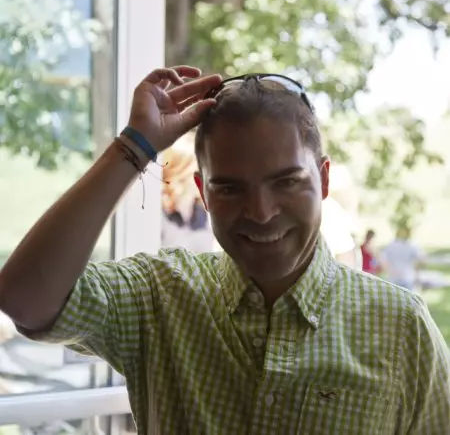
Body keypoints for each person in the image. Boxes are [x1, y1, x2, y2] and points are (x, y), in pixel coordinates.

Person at [0, 67, 449, 434]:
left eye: (286, 181)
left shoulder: (400, 326)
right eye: (230, 188)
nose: (260, 211)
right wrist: (135, 146)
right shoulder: (159, 297)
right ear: (203, 192)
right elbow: (24, 297)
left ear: (324, 180)